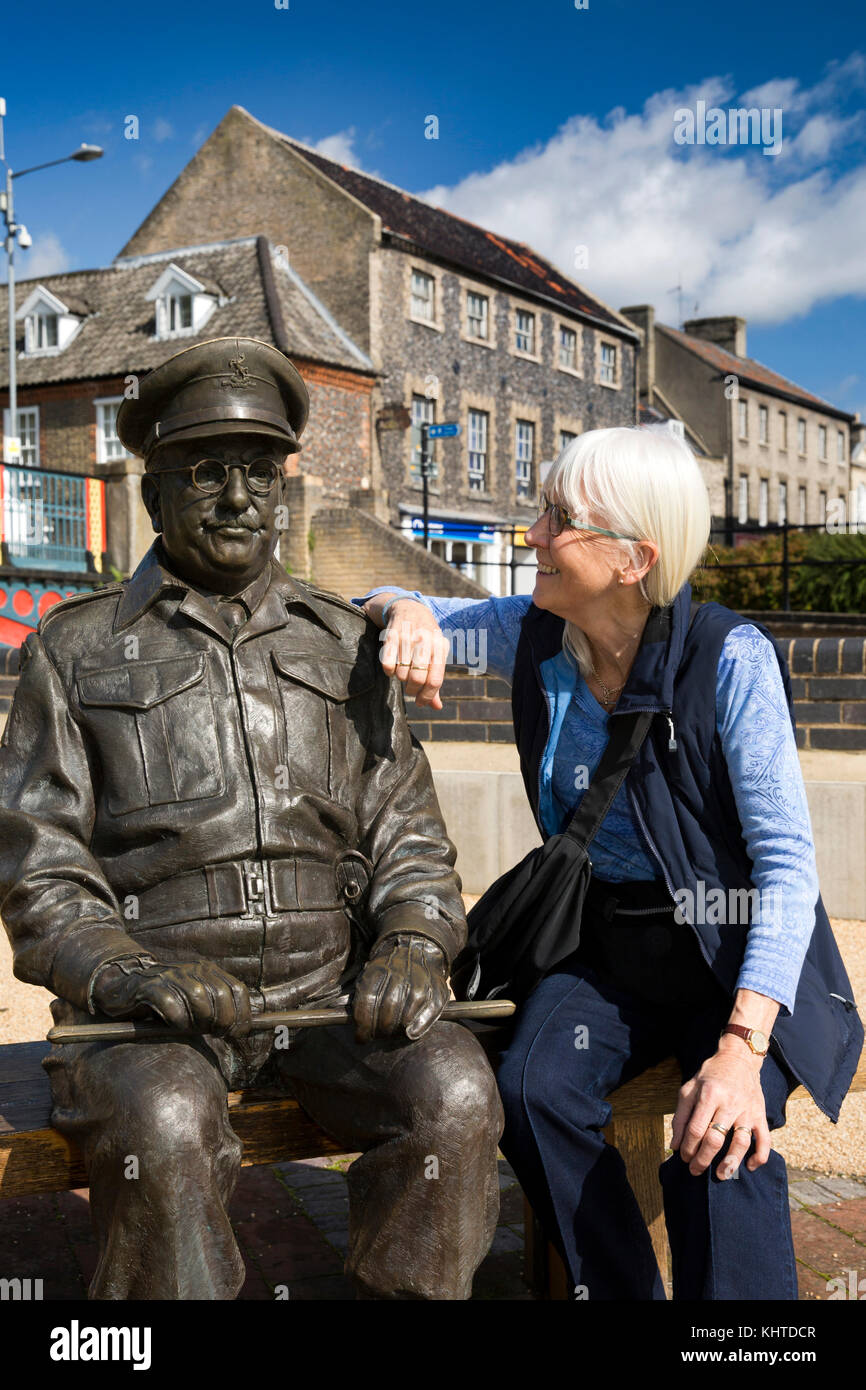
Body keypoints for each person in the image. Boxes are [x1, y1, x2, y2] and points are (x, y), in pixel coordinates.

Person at [0, 336, 503, 1301]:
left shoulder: (348, 644)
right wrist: (129, 970)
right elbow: (38, 864)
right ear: (152, 497)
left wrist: (411, 942)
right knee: (169, 1123)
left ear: (285, 490)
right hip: (145, 1024)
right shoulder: (73, 649)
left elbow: (409, 834)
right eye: (206, 473)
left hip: (328, 1003)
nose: (239, 498)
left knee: (455, 1089)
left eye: (260, 473)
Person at [356, 424, 863, 1301]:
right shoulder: (531, 631)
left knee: (721, 1138)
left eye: (558, 517)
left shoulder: (727, 658)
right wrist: (405, 612)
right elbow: (385, 598)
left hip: (730, 954)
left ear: (634, 559)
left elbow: (786, 870)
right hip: (609, 946)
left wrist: (741, 1051)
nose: (532, 536)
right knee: (530, 1087)